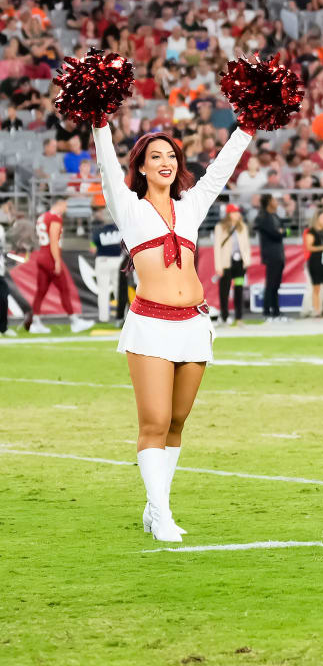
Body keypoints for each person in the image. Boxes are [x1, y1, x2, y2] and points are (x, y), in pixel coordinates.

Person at [90, 114, 254, 543]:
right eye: (154, 156)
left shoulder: (190, 207)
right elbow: (106, 164)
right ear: (141, 167)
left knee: (177, 422)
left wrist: (248, 127)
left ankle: (154, 504)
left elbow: (221, 169)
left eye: (171, 156)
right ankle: (162, 515)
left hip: (194, 324)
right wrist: (99, 121)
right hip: (150, 325)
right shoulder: (128, 207)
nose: (165, 161)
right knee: (155, 421)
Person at [24, 197, 94, 334]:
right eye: (65, 205)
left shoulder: (42, 216)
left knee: (41, 291)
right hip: (50, 257)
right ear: (59, 204)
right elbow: (54, 242)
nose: (66, 209)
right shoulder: (55, 218)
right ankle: (74, 321)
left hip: (41, 256)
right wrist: (57, 261)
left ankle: (35, 322)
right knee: (64, 290)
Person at [212, 203, 251, 326]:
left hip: (239, 263)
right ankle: (224, 317)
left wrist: (247, 260)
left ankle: (239, 318)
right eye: (234, 212)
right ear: (229, 214)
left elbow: (246, 245)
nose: (237, 214)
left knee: (239, 289)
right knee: (225, 290)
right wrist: (218, 266)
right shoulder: (220, 227)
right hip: (225, 263)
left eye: (238, 212)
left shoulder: (242, 227)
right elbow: (217, 247)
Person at [90, 206, 127, 323]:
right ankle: (123, 315)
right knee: (119, 290)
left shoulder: (97, 231)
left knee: (103, 291)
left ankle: (103, 317)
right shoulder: (121, 230)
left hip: (103, 260)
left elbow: (92, 249)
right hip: (118, 261)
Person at [255, 193, 287, 322]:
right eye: (274, 200)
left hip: (279, 254)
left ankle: (275, 310)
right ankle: (268, 311)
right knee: (271, 284)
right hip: (271, 255)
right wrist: (280, 232)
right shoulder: (264, 218)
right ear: (269, 202)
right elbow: (276, 234)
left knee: (276, 284)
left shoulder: (275, 216)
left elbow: (285, 231)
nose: (276, 202)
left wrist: (282, 232)